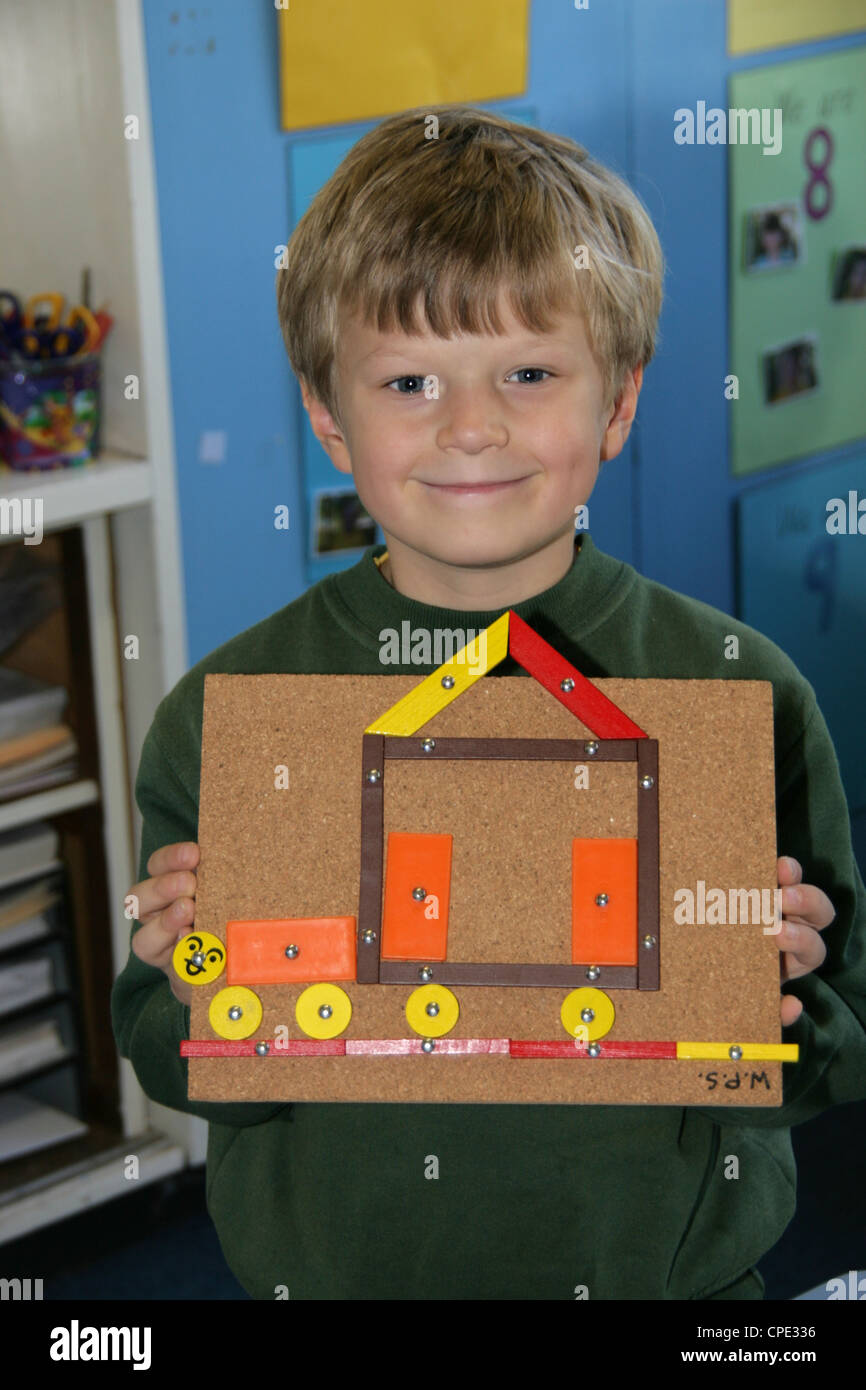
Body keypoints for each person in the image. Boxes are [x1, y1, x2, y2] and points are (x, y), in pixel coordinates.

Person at [111, 105, 864, 1300]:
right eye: (408, 378)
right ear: (324, 410)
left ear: (615, 401)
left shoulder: (738, 685)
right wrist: (205, 979)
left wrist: (781, 998)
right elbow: (175, 1052)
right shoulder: (223, 714)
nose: (471, 426)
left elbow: (835, 1047)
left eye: (527, 371)